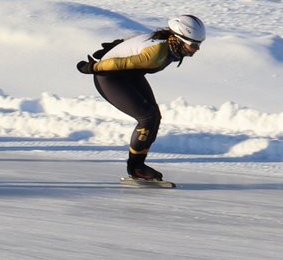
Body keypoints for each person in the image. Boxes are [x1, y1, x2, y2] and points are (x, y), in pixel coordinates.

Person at [78, 13, 208, 187]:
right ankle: (136, 167)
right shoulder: (157, 52)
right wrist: (93, 67)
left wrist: (119, 45)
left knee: (155, 116)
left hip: (131, 74)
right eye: (193, 45)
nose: (197, 49)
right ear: (178, 39)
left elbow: (135, 43)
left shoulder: (167, 42)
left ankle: (138, 165)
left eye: (199, 45)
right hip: (109, 77)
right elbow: (119, 64)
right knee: (147, 118)